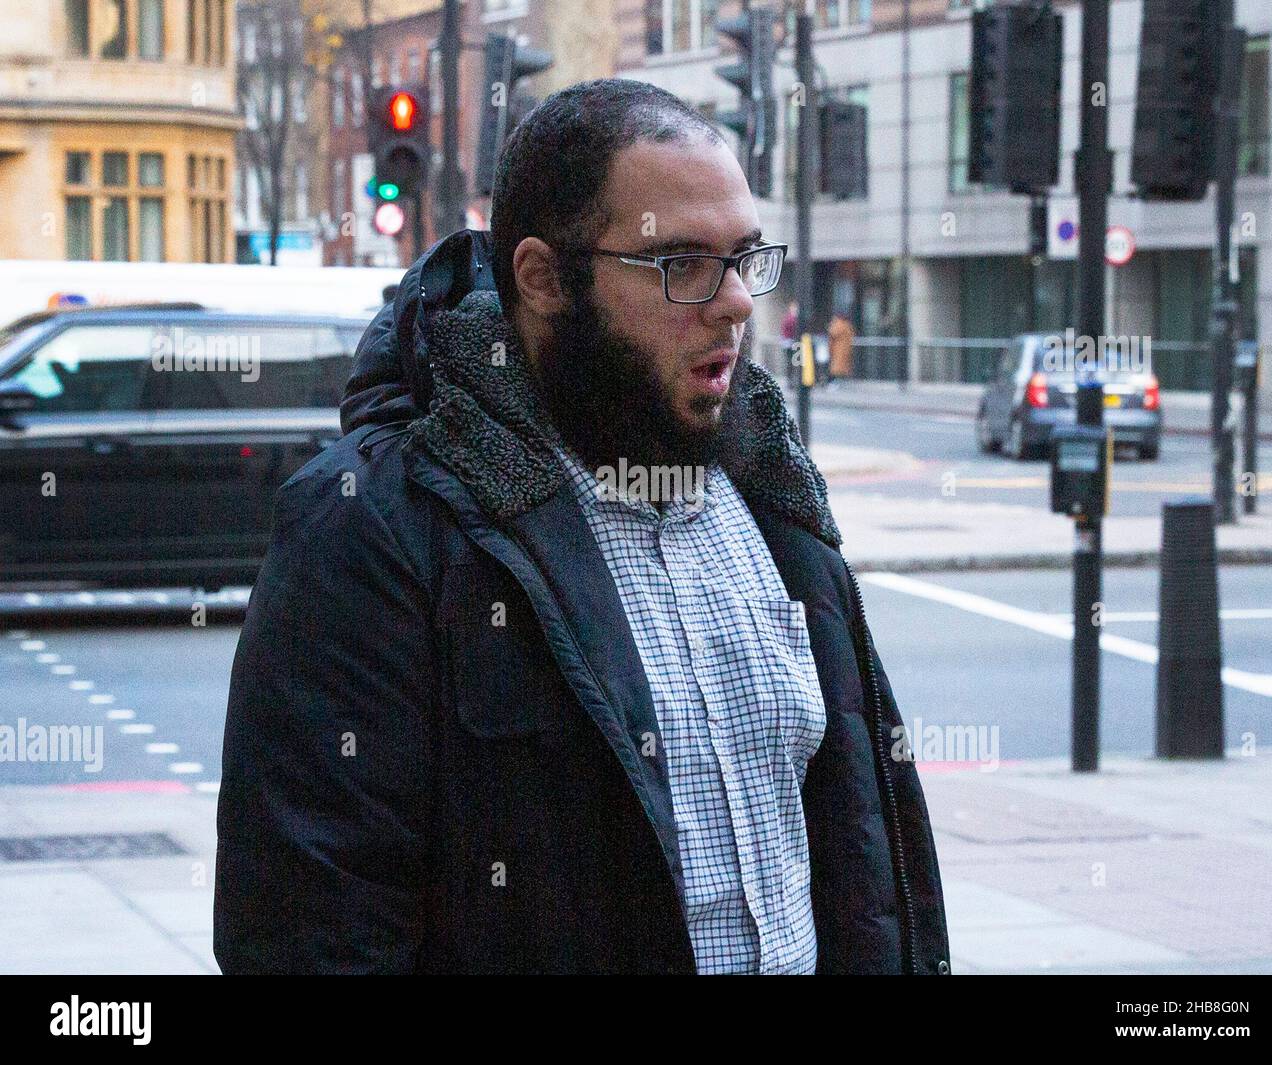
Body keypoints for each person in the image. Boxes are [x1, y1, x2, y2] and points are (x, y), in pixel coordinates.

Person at [214, 78, 949, 975]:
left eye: (745, 258)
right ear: (543, 278)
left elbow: (865, 861)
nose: (734, 303)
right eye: (680, 264)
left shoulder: (773, 497)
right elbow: (311, 935)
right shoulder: (377, 531)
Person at [829, 311, 855, 381]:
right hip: (845, 348)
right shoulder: (848, 325)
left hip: (838, 349)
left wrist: (832, 325)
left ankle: (836, 380)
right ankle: (842, 379)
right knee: (844, 365)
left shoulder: (839, 324)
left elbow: (833, 333)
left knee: (837, 366)